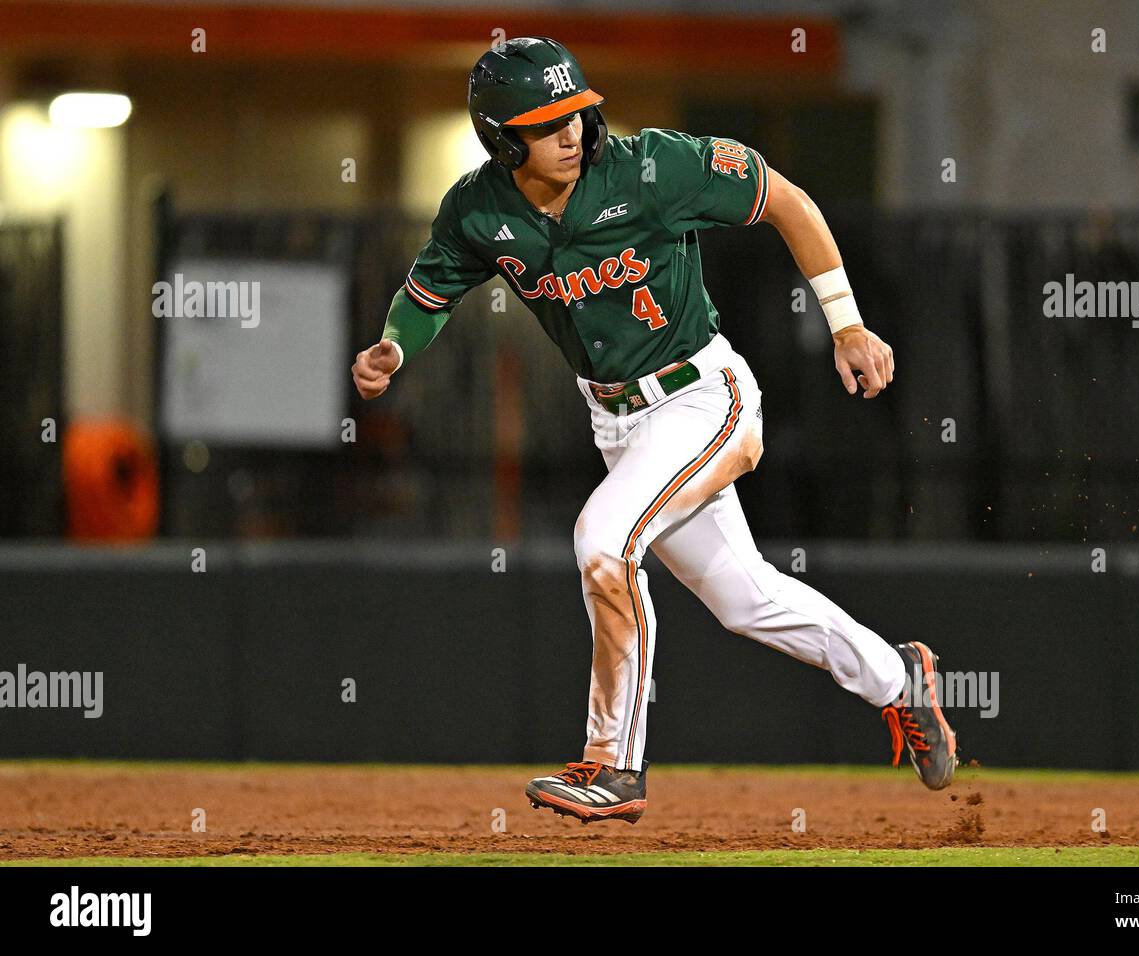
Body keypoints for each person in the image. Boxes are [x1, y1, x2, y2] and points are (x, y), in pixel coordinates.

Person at [352, 37, 957, 824]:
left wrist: (846, 325)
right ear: (503, 138)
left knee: (604, 541)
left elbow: (785, 200)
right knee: (746, 600)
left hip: (705, 397)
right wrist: (395, 345)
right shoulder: (479, 208)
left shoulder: (651, 168)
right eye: (546, 122)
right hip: (617, 421)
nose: (571, 131)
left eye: (576, 111)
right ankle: (895, 675)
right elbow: (428, 291)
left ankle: (614, 766)